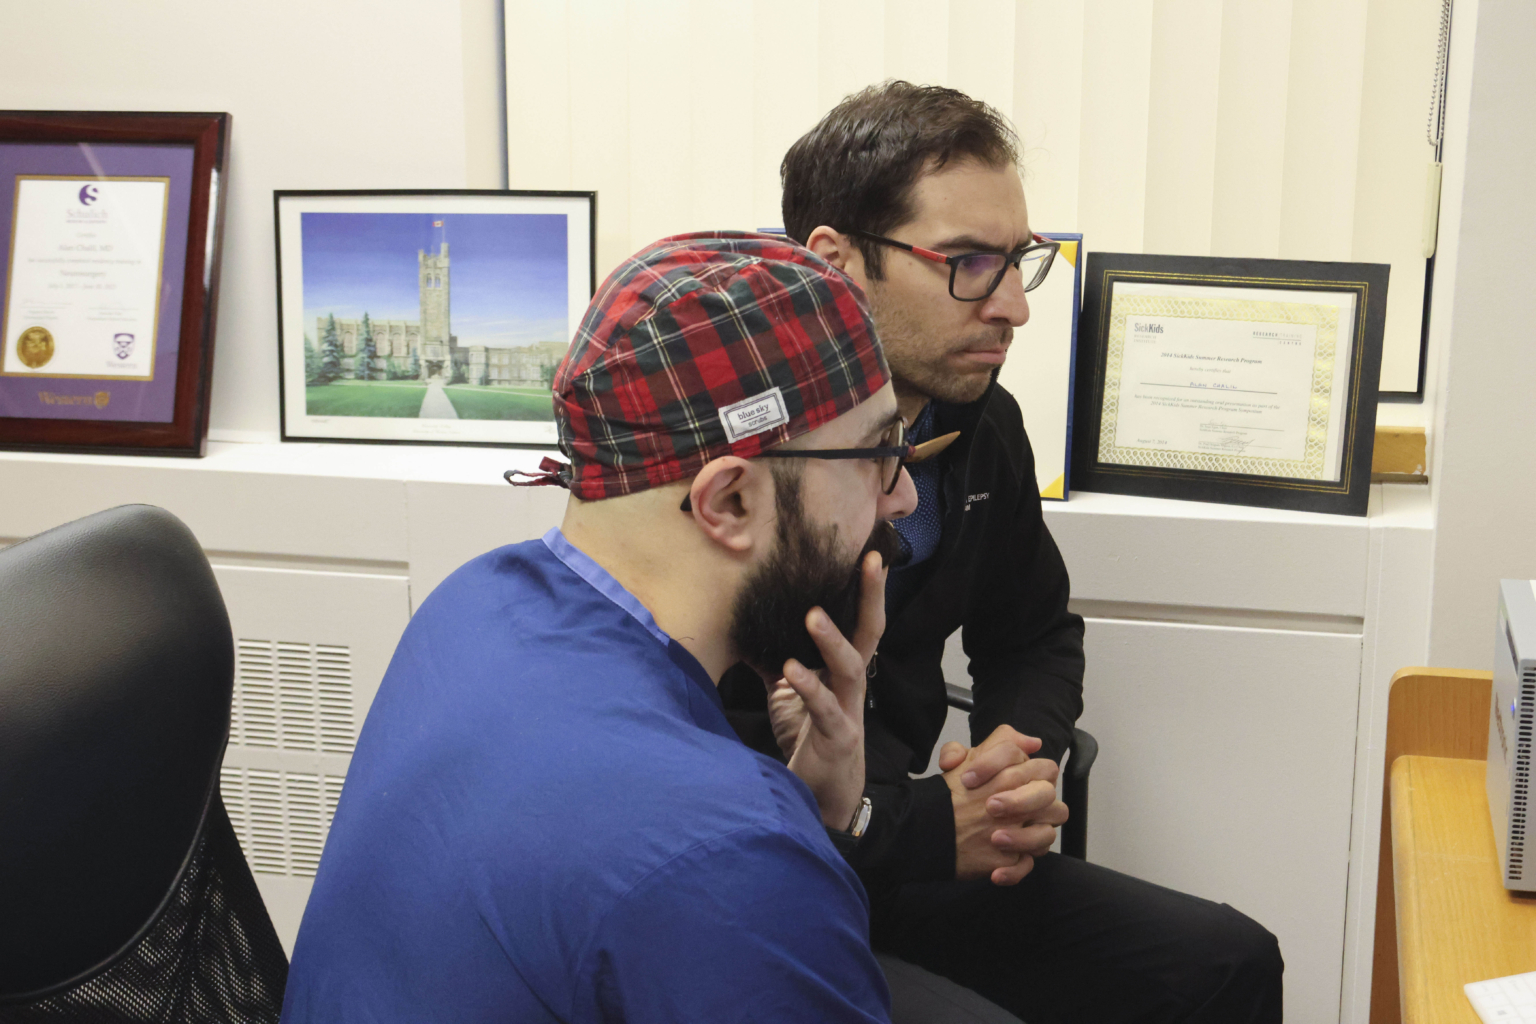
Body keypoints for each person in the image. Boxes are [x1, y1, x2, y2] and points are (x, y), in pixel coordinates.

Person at [280, 231, 1019, 1023]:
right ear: (729, 502)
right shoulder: (727, 854)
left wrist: (816, 817)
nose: (902, 498)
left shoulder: (470, 601)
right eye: (878, 452)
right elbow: (699, 873)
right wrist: (787, 839)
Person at [721, 82, 1285, 1023]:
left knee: (1226, 962)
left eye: (1020, 261)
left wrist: (1015, 766)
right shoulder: (740, 465)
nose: (1016, 307)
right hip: (767, 881)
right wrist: (931, 828)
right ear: (836, 263)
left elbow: (1033, 632)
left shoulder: (982, 421)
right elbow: (721, 781)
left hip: (905, 838)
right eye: (969, 263)